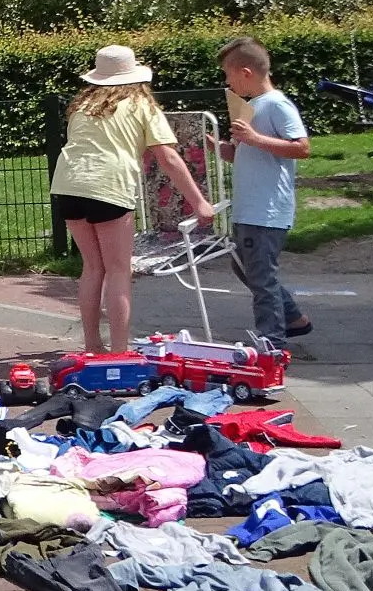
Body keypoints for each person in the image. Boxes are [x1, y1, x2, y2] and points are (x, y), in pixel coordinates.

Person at [49, 45, 216, 355]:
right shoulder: (141, 104)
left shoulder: (81, 105)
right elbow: (167, 157)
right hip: (109, 185)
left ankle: (92, 345)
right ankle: (120, 351)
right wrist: (199, 201)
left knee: (92, 267)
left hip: (68, 183)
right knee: (118, 270)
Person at [216, 37, 314, 348]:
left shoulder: (276, 104)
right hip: (251, 207)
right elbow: (256, 154)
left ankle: (271, 340)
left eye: (228, 75)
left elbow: (301, 148)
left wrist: (254, 138)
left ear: (245, 72)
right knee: (245, 266)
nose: (227, 82)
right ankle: (293, 319)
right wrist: (227, 150)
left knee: (260, 275)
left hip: (266, 209)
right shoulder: (253, 107)